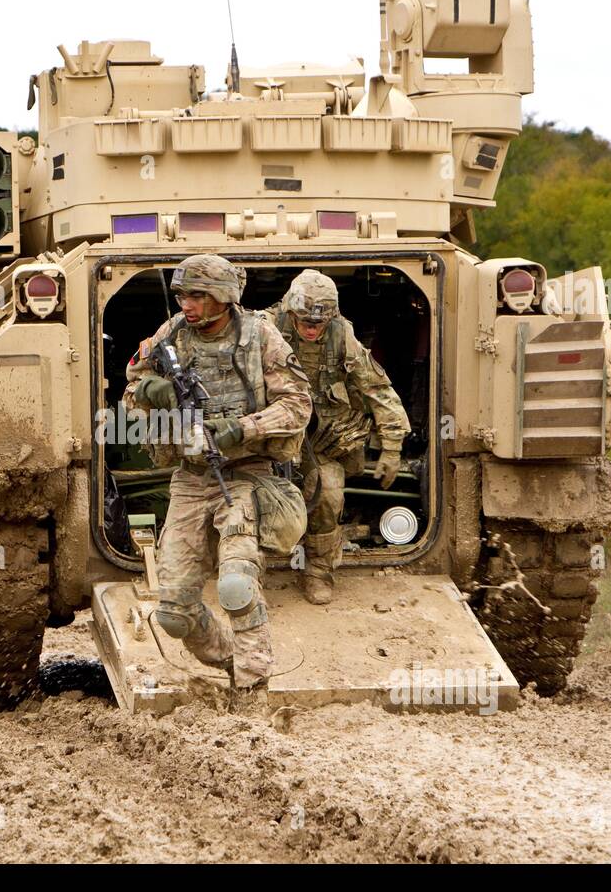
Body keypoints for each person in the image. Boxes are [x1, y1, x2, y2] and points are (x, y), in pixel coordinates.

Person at [124, 254, 312, 698]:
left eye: (197, 295)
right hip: (190, 479)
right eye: (183, 295)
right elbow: (132, 389)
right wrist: (153, 390)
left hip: (246, 475)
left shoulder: (259, 336)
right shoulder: (170, 335)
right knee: (173, 613)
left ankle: (252, 688)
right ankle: (231, 660)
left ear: (223, 298)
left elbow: (298, 406)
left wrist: (241, 429)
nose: (187, 304)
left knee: (235, 585)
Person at [269, 270, 411, 604]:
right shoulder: (265, 328)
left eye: (320, 322)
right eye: (305, 321)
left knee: (329, 495)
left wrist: (391, 447)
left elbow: (377, 389)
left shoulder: (340, 335)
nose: (312, 329)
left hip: (321, 440)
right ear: (290, 312)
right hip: (270, 436)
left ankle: (318, 572)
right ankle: (250, 569)